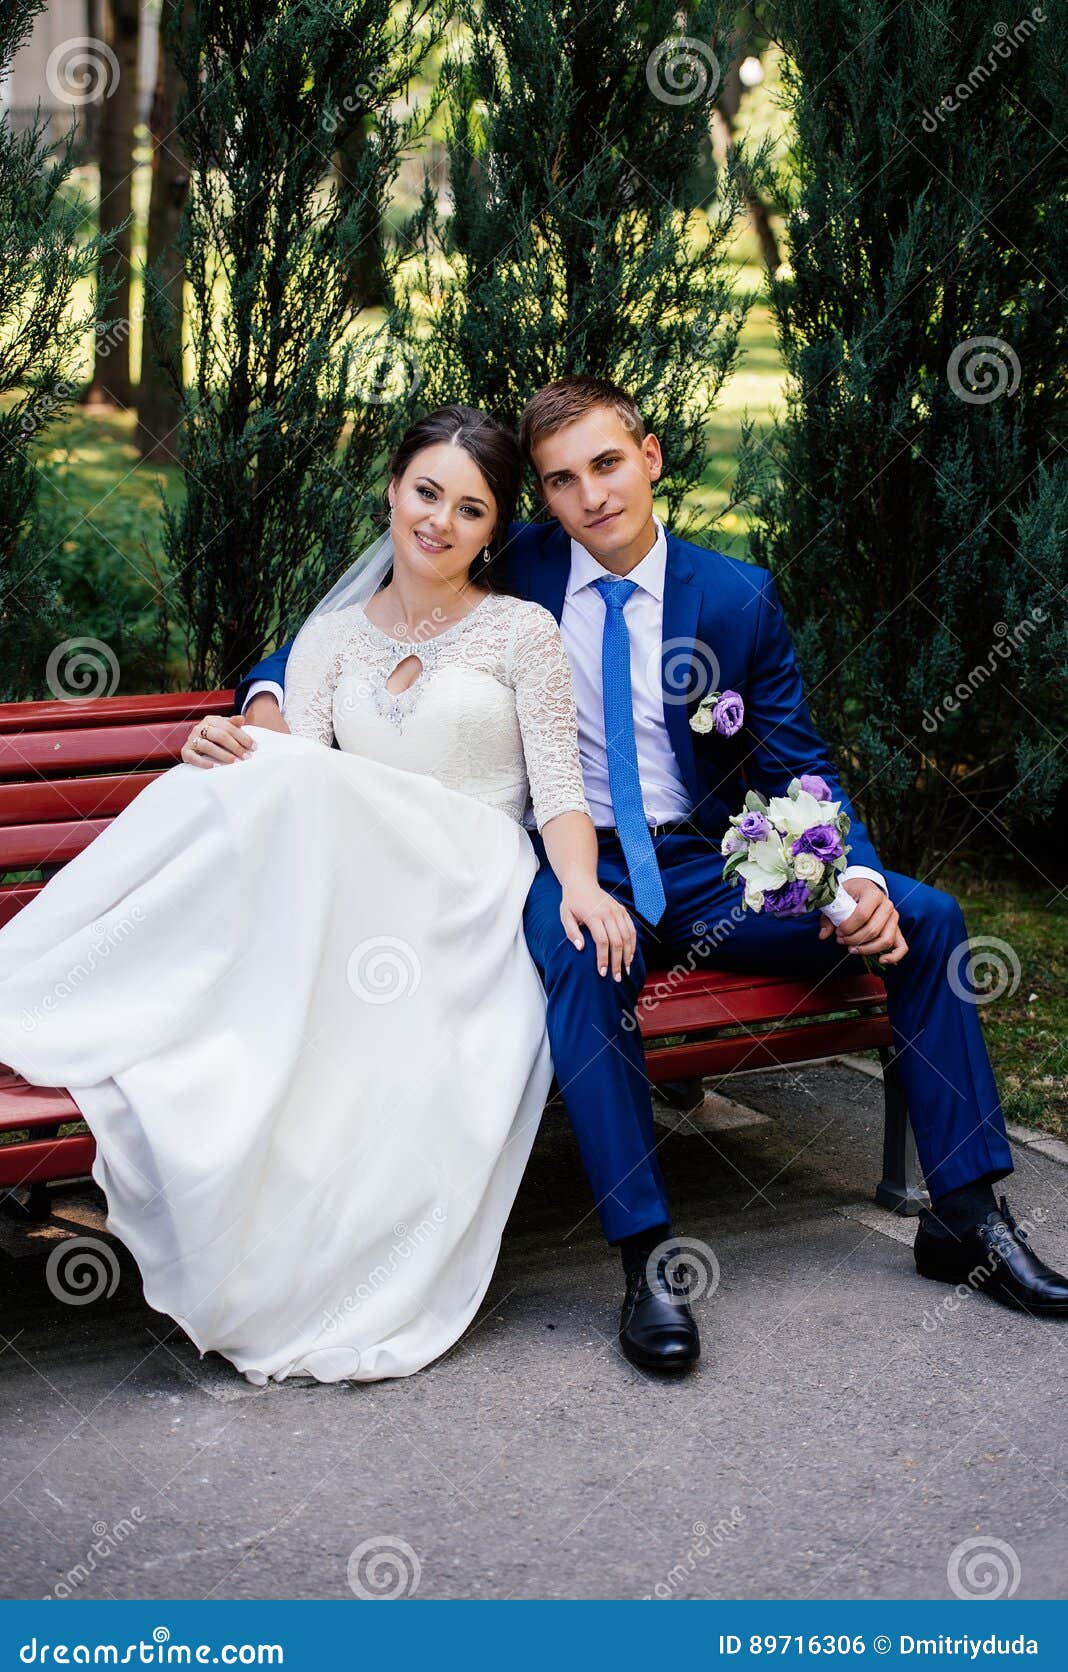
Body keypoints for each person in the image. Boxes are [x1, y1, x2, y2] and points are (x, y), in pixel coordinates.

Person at [232, 375, 1068, 1373]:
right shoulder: (522, 570)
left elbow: (795, 767)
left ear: (652, 456)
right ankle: (648, 1256)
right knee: (585, 956)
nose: (590, 495)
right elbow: (356, 623)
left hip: (713, 864)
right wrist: (269, 698)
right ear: (539, 500)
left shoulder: (736, 596)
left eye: (607, 464)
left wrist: (862, 881)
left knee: (928, 918)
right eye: (560, 480)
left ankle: (967, 1218)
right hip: (573, 856)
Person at [0, 404, 636, 1385]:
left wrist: (584, 886)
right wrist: (241, 744)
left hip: (467, 885)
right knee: (258, 772)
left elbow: (557, 792)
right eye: (426, 492)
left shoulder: (522, 633)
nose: (439, 521)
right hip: (361, 891)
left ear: (493, 529)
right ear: (392, 490)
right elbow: (295, 783)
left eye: (470, 509)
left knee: (284, 781)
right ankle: (64, 978)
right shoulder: (332, 639)